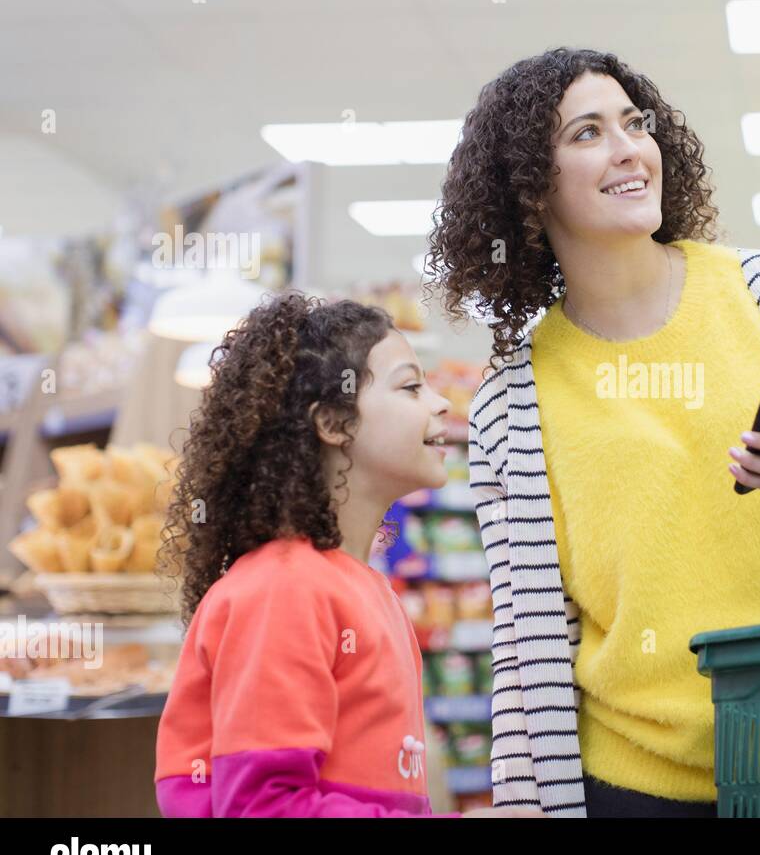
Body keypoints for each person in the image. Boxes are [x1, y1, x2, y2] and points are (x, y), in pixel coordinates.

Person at [426, 47, 760, 817]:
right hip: (634, 786)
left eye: (635, 123)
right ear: (530, 187)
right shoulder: (510, 401)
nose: (628, 148)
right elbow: (531, 649)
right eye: (587, 133)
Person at [153, 293, 542, 818]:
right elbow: (264, 808)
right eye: (410, 387)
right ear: (334, 424)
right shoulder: (283, 591)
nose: (440, 403)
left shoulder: (359, 586)